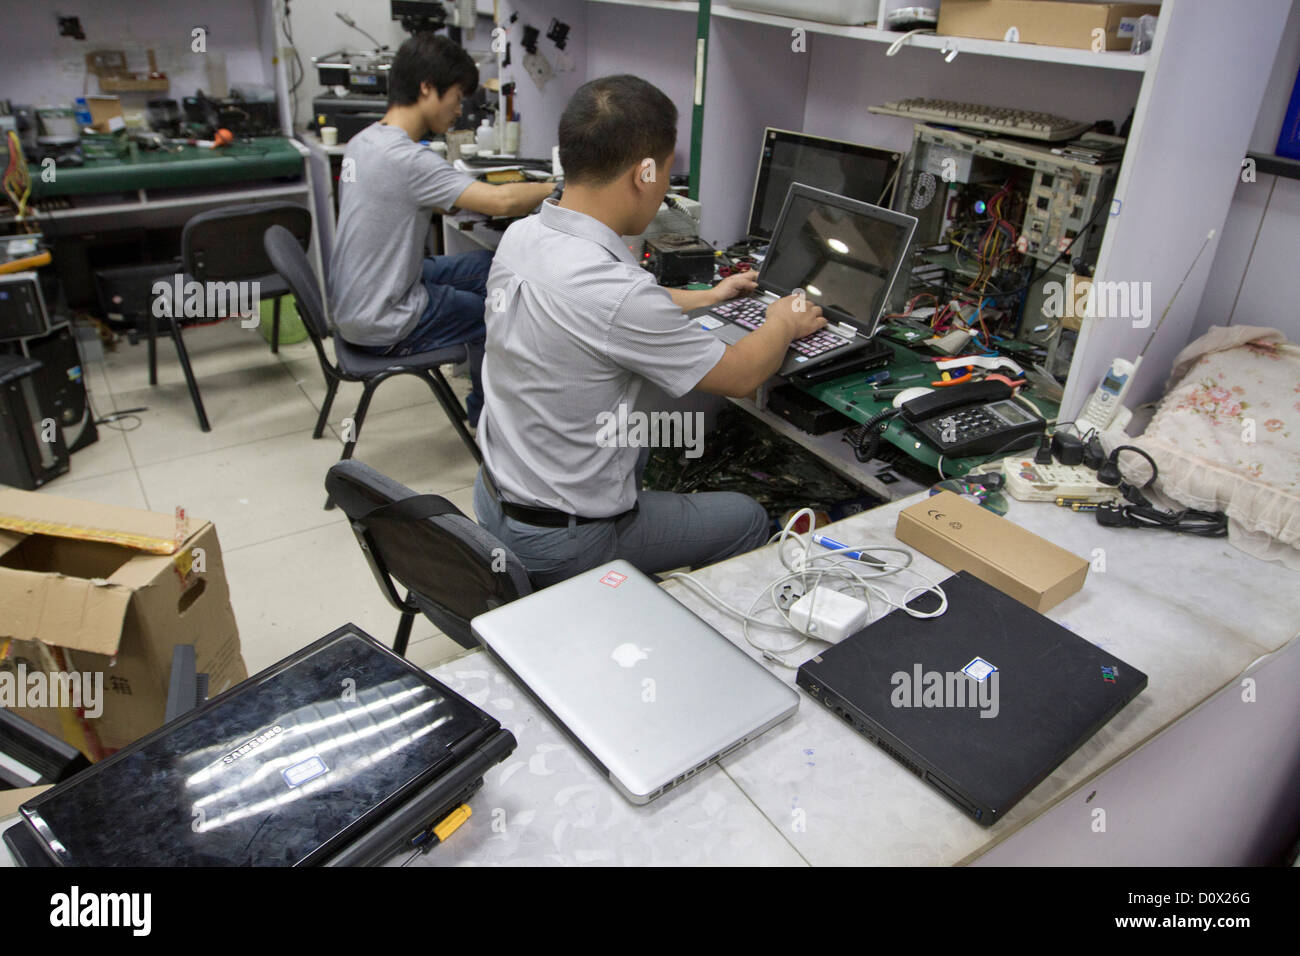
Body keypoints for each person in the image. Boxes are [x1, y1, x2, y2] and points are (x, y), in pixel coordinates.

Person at [473, 74, 827, 587]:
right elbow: (743, 375)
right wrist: (781, 321)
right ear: (643, 173)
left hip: (497, 498)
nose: (666, 188)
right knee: (745, 517)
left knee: (642, 443)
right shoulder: (617, 293)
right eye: (665, 172)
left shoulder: (524, 235)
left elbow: (594, 307)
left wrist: (706, 297)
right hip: (565, 541)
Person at [328, 34, 553, 428]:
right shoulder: (408, 160)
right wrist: (557, 188)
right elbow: (501, 203)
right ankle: (489, 425)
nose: (458, 109)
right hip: (382, 319)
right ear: (427, 87)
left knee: (488, 265)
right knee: (495, 313)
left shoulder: (364, 142)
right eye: (456, 96)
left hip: (356, 302)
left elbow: (418, 199)